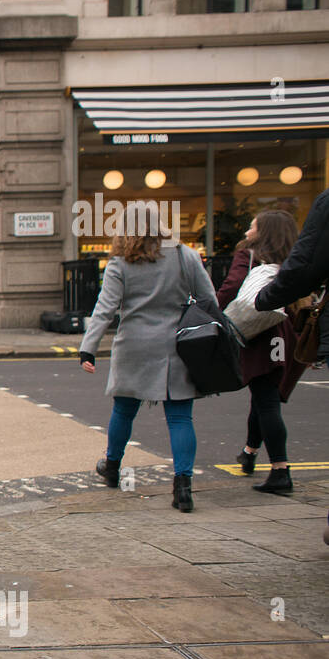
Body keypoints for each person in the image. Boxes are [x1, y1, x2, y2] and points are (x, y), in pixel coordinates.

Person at [77, 205, 218, 512]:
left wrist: (88, 347)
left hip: (134, 346)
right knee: (180, 417)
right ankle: (183, 487)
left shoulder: (120, 263)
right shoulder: (185, 255)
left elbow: (105, 308)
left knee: (124, 410)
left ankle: (112, 466)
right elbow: (209, 300)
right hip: (178, 345)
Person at [255, 185, 329, 543]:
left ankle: (269, 462)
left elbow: (306, 265)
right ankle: (256, 455)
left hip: (270, 335)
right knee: (267, 396)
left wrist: (266, 297)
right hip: (289, 338)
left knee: (264, 395)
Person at [216, 210, 308, 495]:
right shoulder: (292, 261)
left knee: (266, 401)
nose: (246, 232)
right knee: (264, 397)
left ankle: (280, 471)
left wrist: (212, 312)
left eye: (252, 227)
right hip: (285, 333)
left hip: (257, 333)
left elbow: (231, 288)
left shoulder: (249, 256)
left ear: (264, 232)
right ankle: (249, 452)